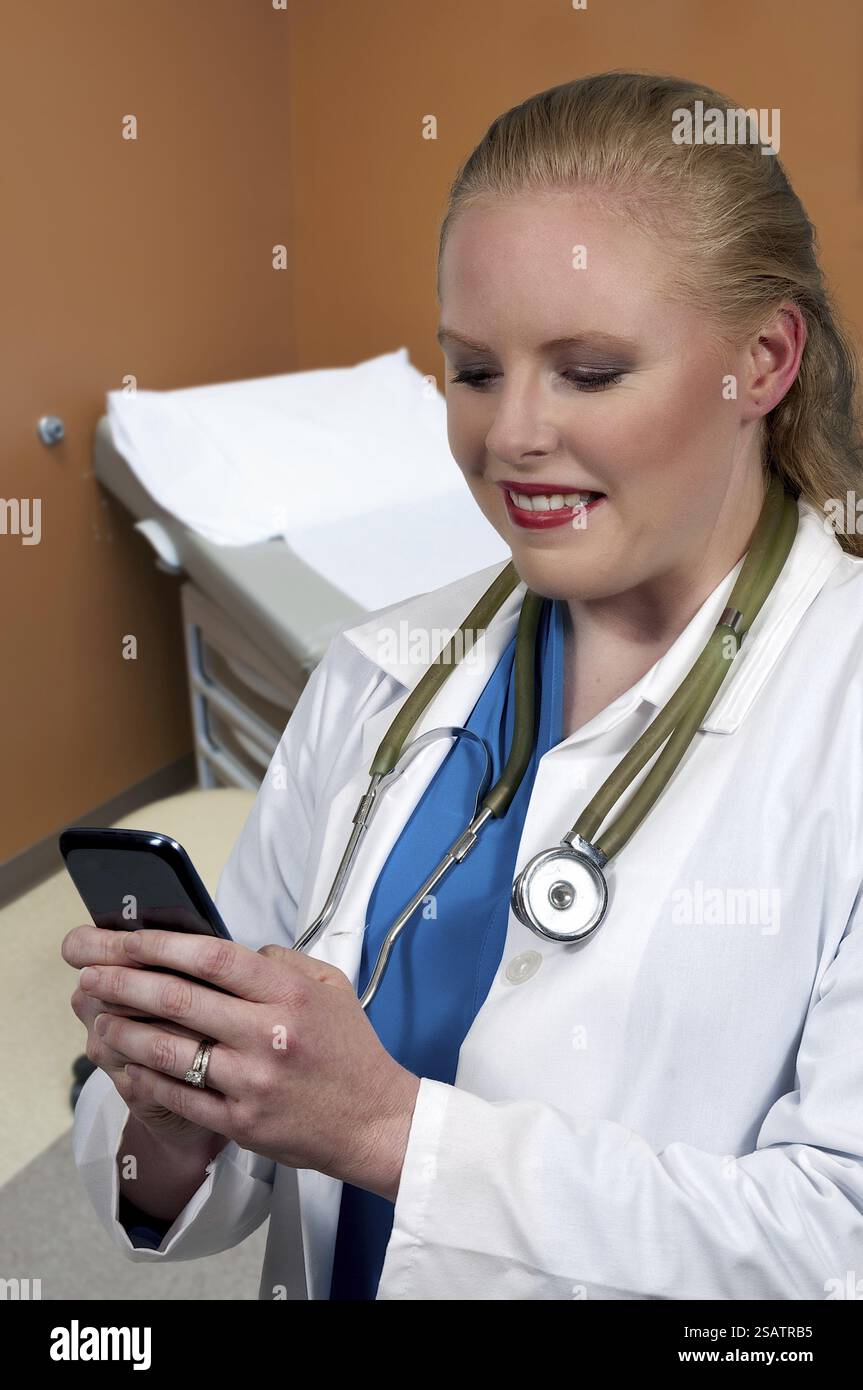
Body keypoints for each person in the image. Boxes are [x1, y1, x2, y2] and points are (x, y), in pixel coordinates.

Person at [65, 70, 863, 1300]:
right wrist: (175, 1126)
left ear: (760, 360)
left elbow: (834, 1242)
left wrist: (387, 1129)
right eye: (475, 371)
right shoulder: (375, 677)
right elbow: (231, 1160)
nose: (509, 437)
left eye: (588, 371)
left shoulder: (837, 710)